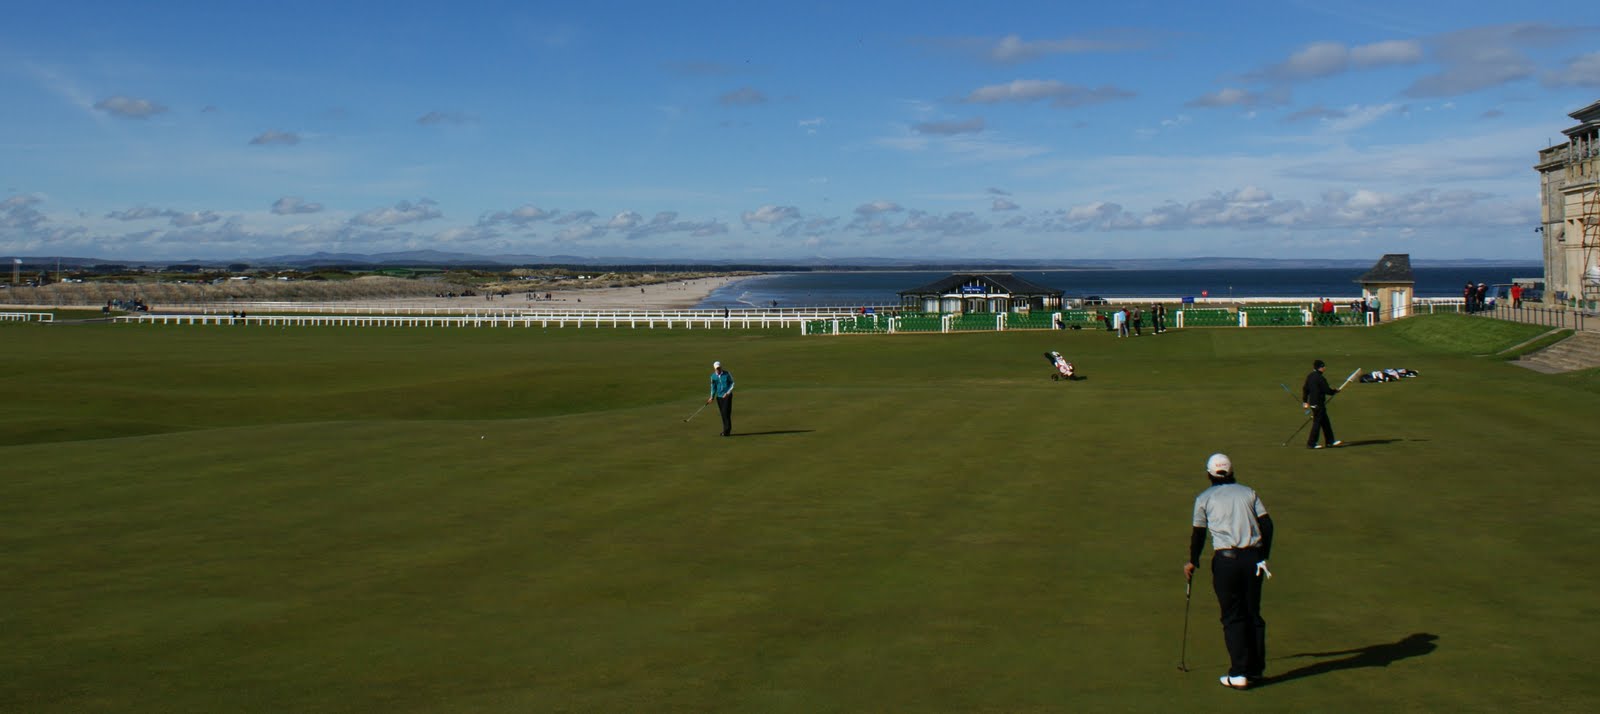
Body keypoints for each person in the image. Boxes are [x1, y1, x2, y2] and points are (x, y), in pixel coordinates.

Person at [1185, 453, 1274, 690]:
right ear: (1232, 471)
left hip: (1226, 562)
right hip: (1253, 560)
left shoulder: (1204, 498)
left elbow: (1199, 534)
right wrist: (1263, 555)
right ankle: (1255, 671)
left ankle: (1238, 673)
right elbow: (1267, 524)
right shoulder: (1248, 492)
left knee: (1233, 616)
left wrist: (1192, 561)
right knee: (1253, 614)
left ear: (1209, 474)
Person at [1301, 359, 1343, 449]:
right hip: (1318, 404)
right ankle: (1311, 443)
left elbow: (1305, 389)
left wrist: (1305, 401)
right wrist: (1335, 391)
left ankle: (1330, 441)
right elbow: (1327, 390)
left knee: (1325, 422)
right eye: (1323, 367)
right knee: (1317, 423)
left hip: (1313, 403)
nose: (1324, 368)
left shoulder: (1310, 376)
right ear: (1319, 368)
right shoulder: (1320, 378)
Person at [707, 360, 735, 437]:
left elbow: (732, 383)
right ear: (714, 369)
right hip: (719, 397)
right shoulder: (713, 377)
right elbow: (713, 387)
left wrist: (727, 393)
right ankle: (726, 431)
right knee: (723, 414)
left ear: (721, 367)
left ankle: (726, 431)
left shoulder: (727, 374)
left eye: (719, 368)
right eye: (717, 368)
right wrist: (711, 397)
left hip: (727, 396)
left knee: (726, 412)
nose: (718, 369)